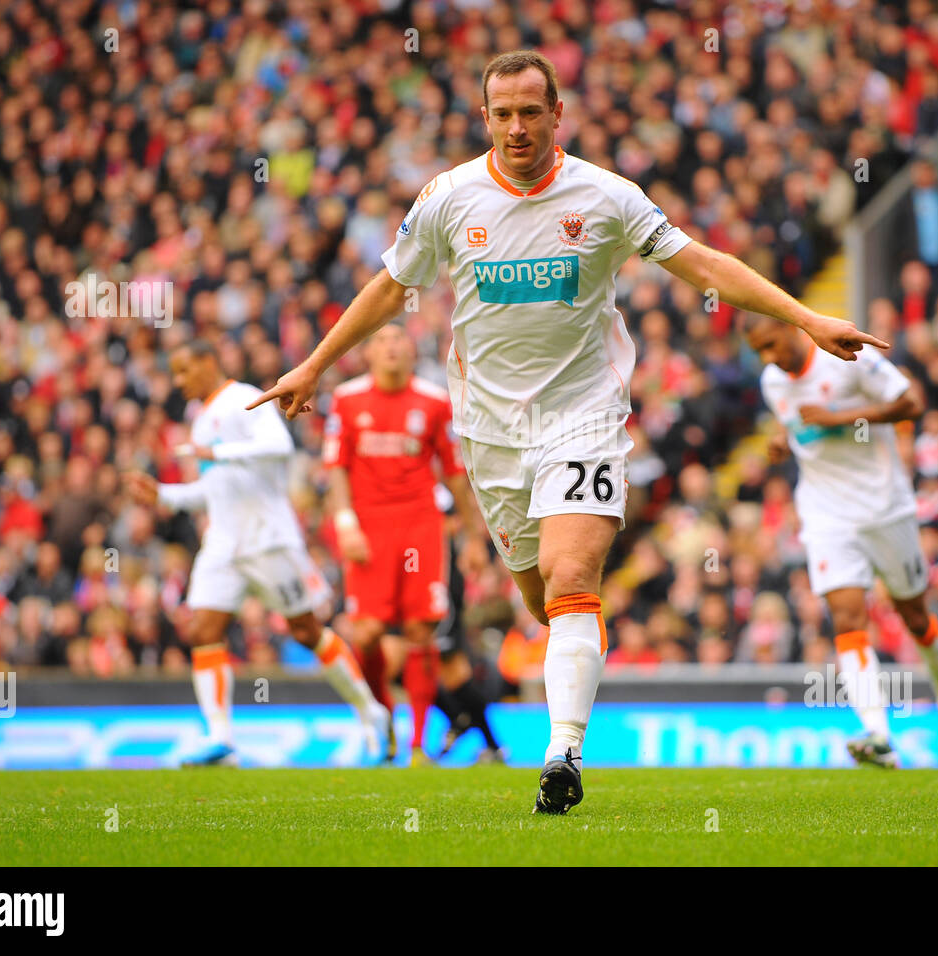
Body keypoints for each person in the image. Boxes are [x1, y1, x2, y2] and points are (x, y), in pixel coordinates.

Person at [249, 50, 889, 814]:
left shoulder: (608, 197)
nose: (517, 127)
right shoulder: (449, 199)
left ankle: (563, 755)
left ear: (558, 114)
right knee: (539, 600)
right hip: (488, 431)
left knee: (571, 576)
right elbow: (392, 287)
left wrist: (808, 318)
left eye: (530, 111)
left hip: (583, 415)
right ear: (484, 118)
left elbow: (708, 267)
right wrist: (316, 366)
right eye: (502, 113)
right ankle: (562, 698)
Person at [125, 341, 389, 766]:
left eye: (183, 370)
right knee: (202, 629)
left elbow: (279, 447)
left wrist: (219, 452)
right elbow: (213, 492)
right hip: (224, 543)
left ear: (208, 361)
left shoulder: (244, 399)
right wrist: (163, 495)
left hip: (268, 540)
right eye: (173, 374)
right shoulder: (199, 423)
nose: (178, 382)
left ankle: (369, 711)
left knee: (305, 631)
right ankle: (221, 738)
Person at [746, 314, 938, 768]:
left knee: (916, 619)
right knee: (847, 618)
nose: (769, 359)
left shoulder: (845, 358)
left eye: (772, 345)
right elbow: (802, 427)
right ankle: (878, 734)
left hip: (885, 507)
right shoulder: (774, 382)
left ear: (792, 328)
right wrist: (784, 444)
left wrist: (840, 417)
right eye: (759, 352)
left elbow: (911, 403)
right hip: (827, 514)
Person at [323, 321, 498, 764]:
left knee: (422, 632)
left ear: (412, 351)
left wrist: (474, 536)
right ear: (368, 354)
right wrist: (345, 523)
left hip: (422, 527)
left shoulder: (435, 402)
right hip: (368, 529)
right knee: (367, 635)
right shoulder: (345, 400)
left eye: (399, 339)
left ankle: (418, 743)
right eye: (380, 340)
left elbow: (456, 473)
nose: (391, 348)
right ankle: (383, 723)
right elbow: (336, 468)